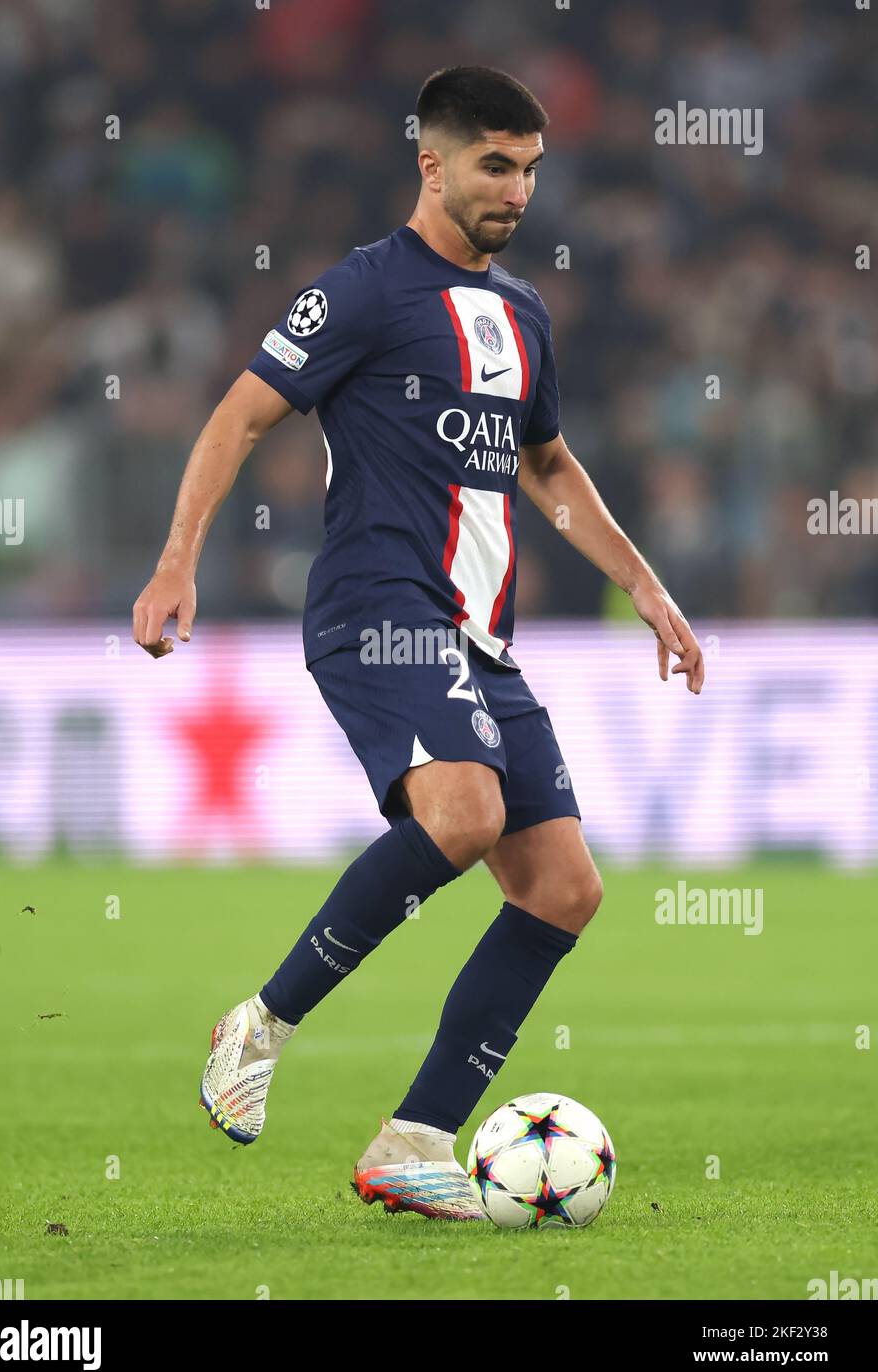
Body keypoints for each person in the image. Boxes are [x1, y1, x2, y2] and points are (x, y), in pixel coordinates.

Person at [132, 65, 704, 1220]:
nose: (520, 189)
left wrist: (643, 583)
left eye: (532, 168)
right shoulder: (362, 292)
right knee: (465, 812)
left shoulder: (524, 314)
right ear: (430, 164)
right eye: (497, 164)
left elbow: (544, 464)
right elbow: (237, 415)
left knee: (563, 889)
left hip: (480, 636)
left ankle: (414, 1137)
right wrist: (176, 558)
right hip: (374, 608)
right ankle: (262, 1021)